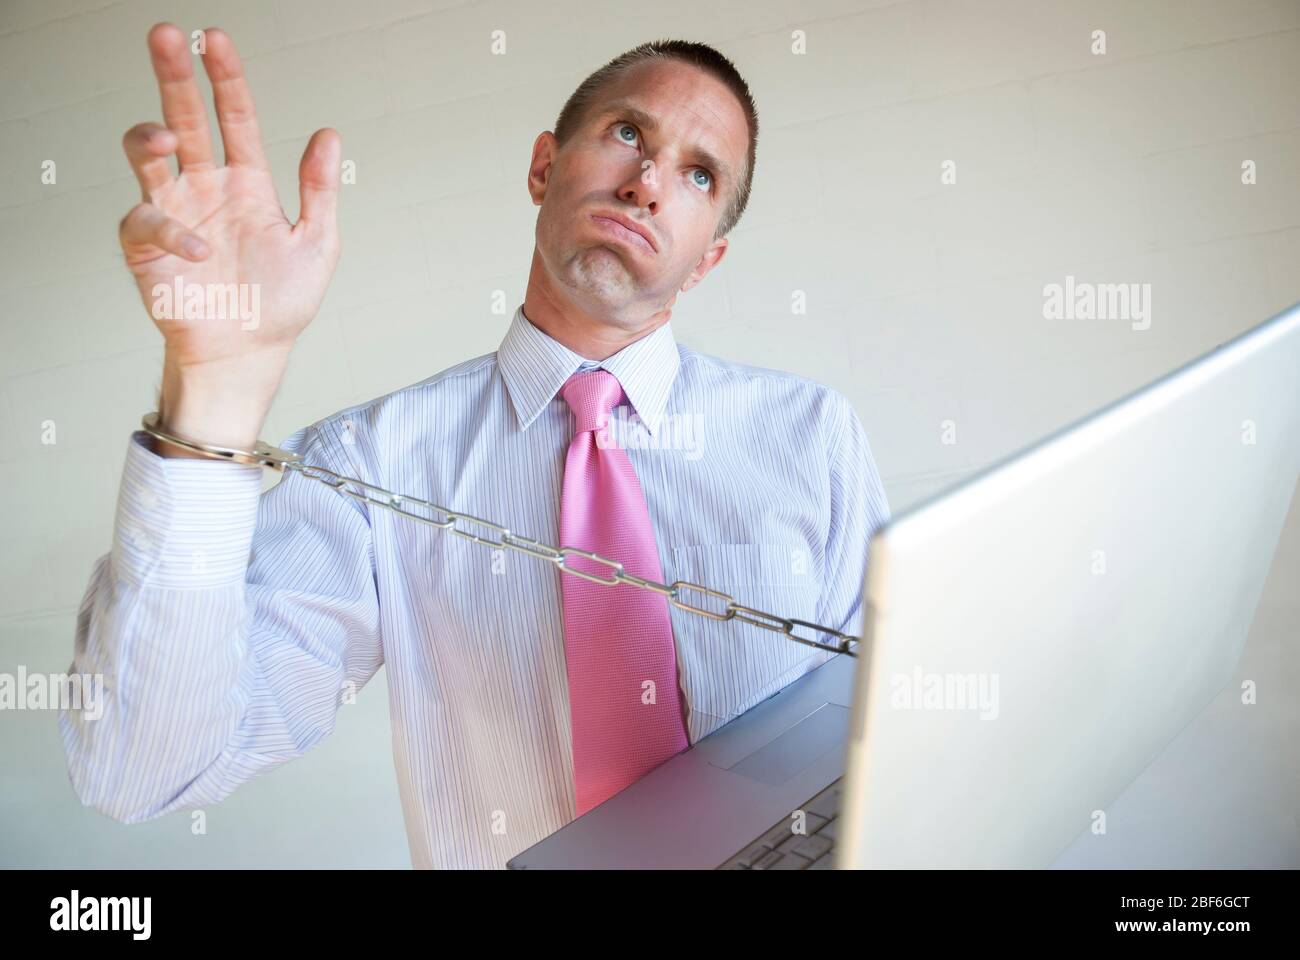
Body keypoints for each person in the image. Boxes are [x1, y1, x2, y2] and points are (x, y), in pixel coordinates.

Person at [59, 22, 890, 869]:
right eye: (628, 133)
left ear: (708, 258)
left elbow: (890, 748)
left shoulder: (809, 437)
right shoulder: (371, 462)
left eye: (698, 174)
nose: (646, 184)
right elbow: (140, 772)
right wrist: (216, 388)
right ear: (543, 166)